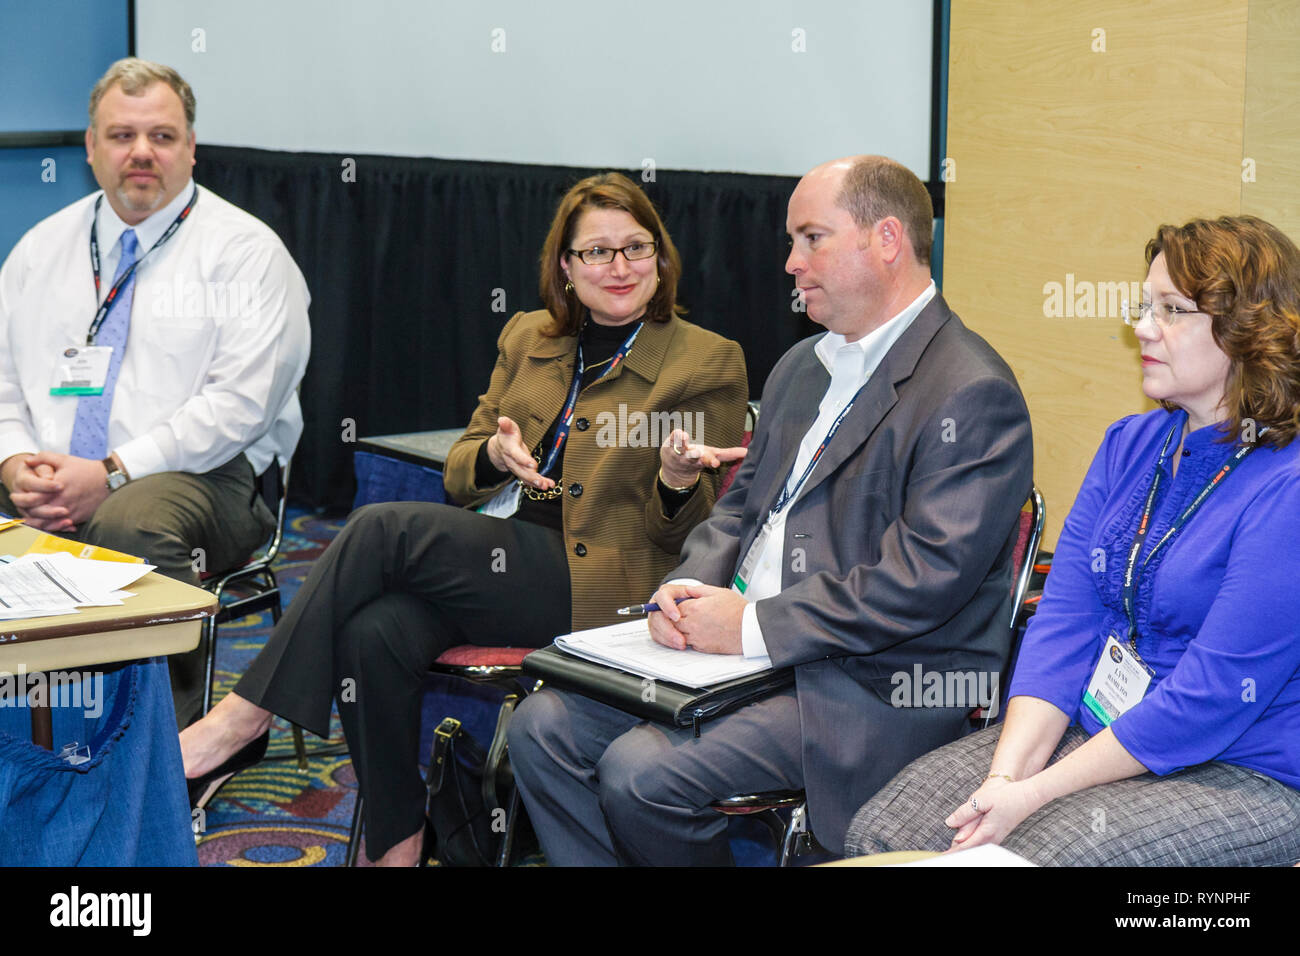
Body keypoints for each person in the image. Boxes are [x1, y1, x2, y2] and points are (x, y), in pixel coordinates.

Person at [180, 171, 750, 866]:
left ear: (661, 258)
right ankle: (397, 842)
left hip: (610, 583)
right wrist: (494, 458)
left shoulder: (706, 360)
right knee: (374, 632)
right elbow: (458, 471)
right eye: (596, 252)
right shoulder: (530, 337)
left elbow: (696, 539)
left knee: (382, 529)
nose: (620, 266)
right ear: (566, 268)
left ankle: (244, 716)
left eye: (637, 247)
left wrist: (676, 478)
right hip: (507, 561)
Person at [507, 155, 1034, 865]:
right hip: (750, 655)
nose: (791, 262)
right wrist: (686, 589)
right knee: (542, 726)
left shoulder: (970, 391)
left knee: (644, 773)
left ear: (885, 240)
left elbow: (924, 579)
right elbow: (740, 509)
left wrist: (751, 625)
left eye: (811, 238)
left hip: (867, 681)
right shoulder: (801, 367)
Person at [844, 215, 1300, 867]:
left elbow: (1212, 700)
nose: (1141, 328)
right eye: (1146, 307)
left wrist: (1034, 795)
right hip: (1097, 729)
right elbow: (1065, 622)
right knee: (886, 832)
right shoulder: (1130, 445)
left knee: (1023, 859)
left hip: (1238, 767)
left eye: (1171, 311)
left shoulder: (1286, 485)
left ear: (1249, 331)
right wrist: (1006, 779)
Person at [0, 58, 310, 728]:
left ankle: (171, 756)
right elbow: (2, 383)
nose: (141, 152)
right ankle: (24, 726)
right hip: (55, 466)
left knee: (128, 523)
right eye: (121, 136)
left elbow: (238, 407)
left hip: (207, 477)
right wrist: (17, 463)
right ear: (90, 148)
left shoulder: (247, 254)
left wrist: (110, 473)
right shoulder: (39, 249)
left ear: (192, 148)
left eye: (162, 137)